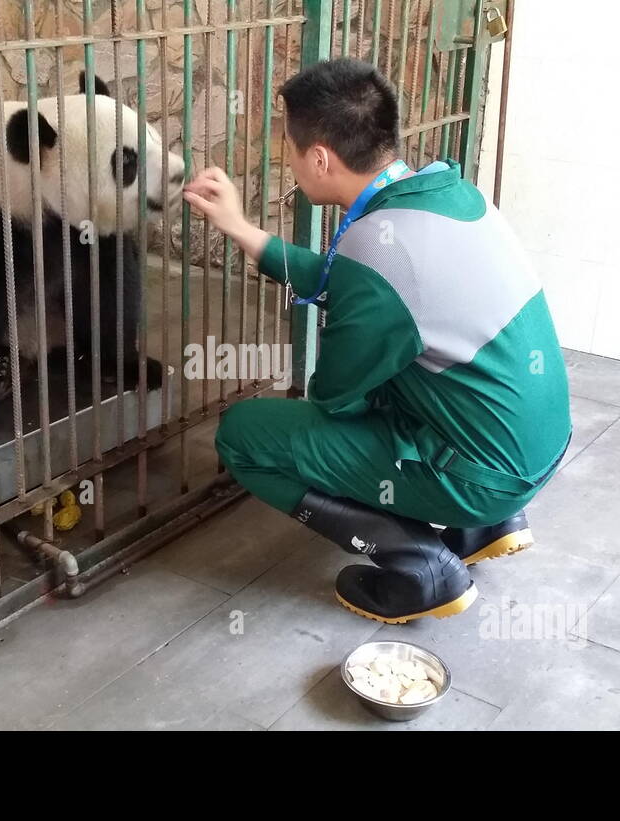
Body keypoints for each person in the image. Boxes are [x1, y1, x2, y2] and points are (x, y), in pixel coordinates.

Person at [183, 57, 572, 625]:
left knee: (244, 434)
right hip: (537, 443)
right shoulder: (445, 195)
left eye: (289, 150)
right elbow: (355, 283)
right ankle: (483, 527)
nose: (288, 163)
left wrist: (356, 397)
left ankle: (420, 564)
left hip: (485, 471)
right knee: (401, 376)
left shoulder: (380, 249)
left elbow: (336, 398)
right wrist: (243, 230)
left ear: (319, 157)